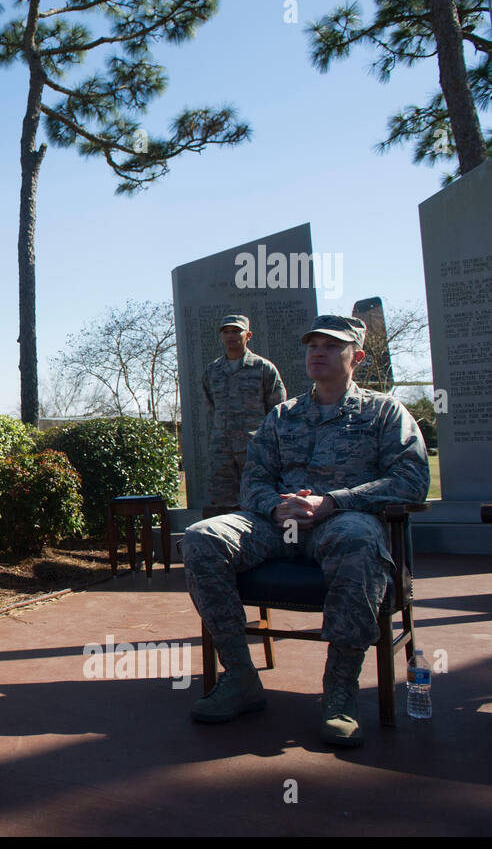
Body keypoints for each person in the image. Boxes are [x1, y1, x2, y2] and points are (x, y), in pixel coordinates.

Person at [181, 314, 428, 747]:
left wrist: (333, 501)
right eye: (313, 344)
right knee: (202, 537)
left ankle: (339, 691)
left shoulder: (385, 412)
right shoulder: (283, 415)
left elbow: (411, 478)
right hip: (279, 524)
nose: (318, 352)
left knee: (359, 544)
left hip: (342, 522)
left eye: (331, 346)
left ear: (358, 357)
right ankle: (240, 677)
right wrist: (276, 508)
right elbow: (253, 479)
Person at [201, 315, 286, 510]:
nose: (230, 336)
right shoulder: (212, 371)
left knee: (258, 501)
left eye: (236, 331)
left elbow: (277, 411)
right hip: (221, 451)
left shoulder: (264, 368)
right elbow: (211, 407)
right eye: (226, 332)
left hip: (254, 449)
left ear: (248, 335)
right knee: (223, 505)